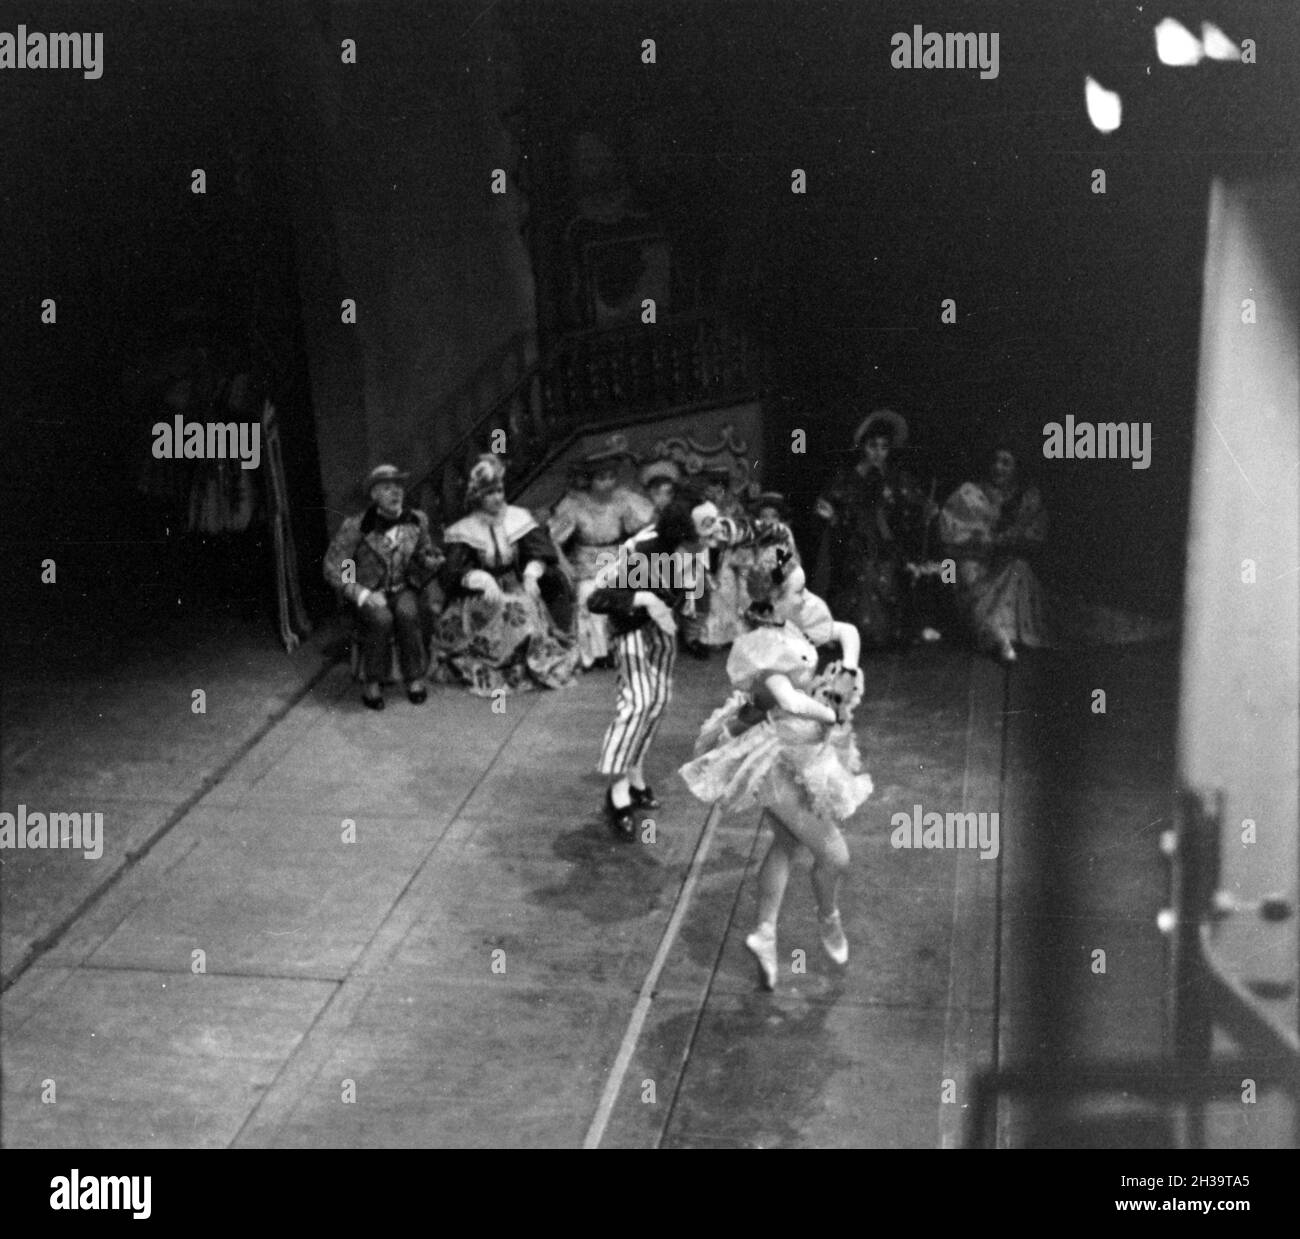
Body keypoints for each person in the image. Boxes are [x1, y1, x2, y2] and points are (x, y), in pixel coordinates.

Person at [679, 527, 873, 989]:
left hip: (808, 747)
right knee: (836, 856)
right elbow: (789, 700)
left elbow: (846, 631)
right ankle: (828, 915)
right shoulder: (762, 650)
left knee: (786, 844)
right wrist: (834, 708)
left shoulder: (791, 621)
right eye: (798, 591)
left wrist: (847, 668)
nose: (806, 597)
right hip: (783, 759)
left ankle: (765, 933)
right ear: (772, 602)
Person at [586, 487, 738, 840]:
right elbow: (599, 597)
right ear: (684, 532)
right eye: (707, 528)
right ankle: (617, 790)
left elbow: (695, 583)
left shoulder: (700, 548)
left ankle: (635, 776)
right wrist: (646, 599)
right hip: (632, 631)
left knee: (657, 703)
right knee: (637, 704)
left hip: (662, 631)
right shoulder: (646, 549)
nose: (715, 533)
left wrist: (685, 616)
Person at [939, 444, 1168, 661]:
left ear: (1016, 468)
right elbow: (954, 538)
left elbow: (1035, 540)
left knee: (1018, 569)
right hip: (978, 570)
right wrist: (989, 542)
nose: (998, 467)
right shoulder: (969, 494)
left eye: (1006, 463)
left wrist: (1011, 542)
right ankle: (995, 635)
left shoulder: (1027, 498)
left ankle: (1010, 637)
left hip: (1012, 567)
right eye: (995, 461)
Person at [431, 455, 579, 695]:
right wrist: (480, 578)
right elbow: (452, 571)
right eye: (490, 493)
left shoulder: (518, 517)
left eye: (499, 490)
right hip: (479, 596)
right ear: (478, 496)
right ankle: (495, 663)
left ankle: (527, 664)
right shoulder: (464, 529)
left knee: (519, 608)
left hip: (514, 585)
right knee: (507, 609)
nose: (497, 497)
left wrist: (532, 574)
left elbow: (540, 551)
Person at [323, 464, 443, 710]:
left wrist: (430, 559)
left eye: (398, 487)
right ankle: (373, 683)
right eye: (387, 488)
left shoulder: (416, 520)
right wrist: (363, 594)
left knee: (408, 613)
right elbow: (335, 567)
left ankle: (413, 678)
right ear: (374, 495)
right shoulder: (357, 526)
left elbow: (421, 553)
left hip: (401, 587)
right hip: (370, 590)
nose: (395, 493)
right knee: (381, 619)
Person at [813, 409, 929, 650]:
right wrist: (834, 517)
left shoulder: (897, 479)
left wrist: (925, 511)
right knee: (864, 572)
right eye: (872, 446)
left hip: (889, 546)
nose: (877, 453)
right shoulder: (846, 478)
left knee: (889, 572)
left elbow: (911, 512)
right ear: (863, 446)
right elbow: (827, 508)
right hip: (851, 546)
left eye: (884, 447)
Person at [548, 451, 654, 669]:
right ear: (590, 480)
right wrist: (565, 564)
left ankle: (623, 650)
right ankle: (597, 653)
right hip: (586, 563)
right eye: (601, 478)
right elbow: (554, 539)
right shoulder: (575, 504)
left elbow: (645, 525)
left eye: (611, 477)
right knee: (589, 595)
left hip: (616, 558)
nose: (608, 483)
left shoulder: (622, 500)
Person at [697, 465, 753, 648]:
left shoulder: (733, 505)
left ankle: (728, 635)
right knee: (708, 594)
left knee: (727, 591)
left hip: (727, 553)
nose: (714, 490)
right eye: (710, 485)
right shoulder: (701, 505)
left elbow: (741, 527)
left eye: (718, 485)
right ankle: (709, 637)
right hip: (704, 551)